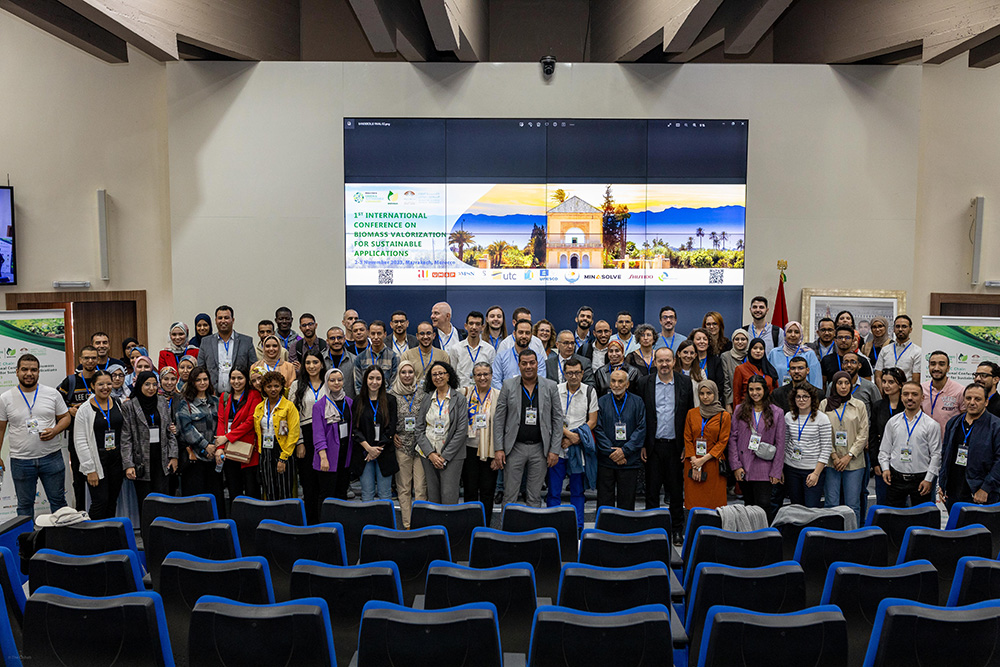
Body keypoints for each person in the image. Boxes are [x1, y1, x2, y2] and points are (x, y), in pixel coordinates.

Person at [0, 354, 71, 518]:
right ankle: (26, 543)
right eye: (24, 369)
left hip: (51, 458)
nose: (29, 373)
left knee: (59, 503)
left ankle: (61, 542)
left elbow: (66, 417)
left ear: (39, 372)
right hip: (21, 461)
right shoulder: (5, 399)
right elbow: (1, 429)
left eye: (33, 370)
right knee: (24, 507)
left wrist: (55, 430)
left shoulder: (52, 394)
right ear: (17, 372)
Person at [636, 347, 694, 542]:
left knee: (676, 492)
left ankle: (677, 529)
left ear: (674, 361)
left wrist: (688, 445)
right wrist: (643, 444)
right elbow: (641, 416)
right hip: (653, 446)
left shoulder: (685, 382)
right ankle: (653, 529)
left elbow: (690, 416)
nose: (664, 364)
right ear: (654, 362)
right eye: (660, 361)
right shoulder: (644, 383)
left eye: (668, 360)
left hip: (676, 447)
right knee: (652, 492)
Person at [493, 349, 562, 507]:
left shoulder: (550, 386)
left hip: (540, 449)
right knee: (509, 496)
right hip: (514, 448)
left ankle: (533, 531)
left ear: (538, 364)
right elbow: (499, 419)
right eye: (524, 363)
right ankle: (507, 532)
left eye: (532, 362)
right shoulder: (508, 385)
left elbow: (557, 419)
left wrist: (554, 450)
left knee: (534, 497)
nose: (528, 366)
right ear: (519, 365)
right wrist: (498, 448)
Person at [549, 357, 598, 531]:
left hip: (578, 447)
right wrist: (567, 435)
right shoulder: (555, 390)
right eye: (569, 373)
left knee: (577, 491)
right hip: (558, 445)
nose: (573, 376)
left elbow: (592, 420)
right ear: (564, 373)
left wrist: (574, 437)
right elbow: (551, 417)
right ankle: (553, 526)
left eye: (577, 372)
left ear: (582, 373)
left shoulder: (589, 391)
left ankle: (578, 527)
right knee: (554, 491)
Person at [728, 375, 784, 519]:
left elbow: (780, 443)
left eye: (758, 389)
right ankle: (750, 537)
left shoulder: (777, 412)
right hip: (744, 466)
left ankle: (765, 536)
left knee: (764, 504)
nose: (755, 393)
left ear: (765, 390)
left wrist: (776, 471)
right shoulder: (740, 410)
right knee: (749, 505)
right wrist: (736, 466)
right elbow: (733, 438)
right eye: (751, 390)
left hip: (765, 467)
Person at [877, 381, 941, 508]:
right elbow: (884, 450)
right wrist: (885, 468)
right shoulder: (892, 422)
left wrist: (928, 479)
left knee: (922, 520)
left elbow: (936, 455)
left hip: (921, 480)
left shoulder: (931, 425)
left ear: (922, 398)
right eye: (905, 394)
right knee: (894, 518)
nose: (910, 398)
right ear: (901, 397)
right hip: (895, 479)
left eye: (914, 394)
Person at [121, 370, 178, 507]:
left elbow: (169, 430)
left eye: (154, 384)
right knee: (146, 503)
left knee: (163, 500)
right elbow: (126, 438)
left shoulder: (162, 402)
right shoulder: (129, 406)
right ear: (139, 385)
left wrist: (174, 456)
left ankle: (163, 528)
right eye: (147, 384)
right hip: (141, 461)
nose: (151, 388)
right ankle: (147, 529)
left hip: (162, 459)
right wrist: (128, 464)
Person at [73, 370, 125, 519]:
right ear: (92, 386)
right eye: (100, 384)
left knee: (112, 501)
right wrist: (90, 469)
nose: (105, 387)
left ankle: (109, 536)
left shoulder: (117, 403)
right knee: (100, 501)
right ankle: (93, 537)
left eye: (108, 383)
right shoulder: (84, 410)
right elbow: (80, 441)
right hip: (97, 461)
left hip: (116, 459)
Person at [939, 383, 1000, 510]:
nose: (972, 402)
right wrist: (942, 483)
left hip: (980, 493)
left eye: (977, 399)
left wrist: (985, 489)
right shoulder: (953, 423)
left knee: (979, 529)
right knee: (956, 528)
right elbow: (945, 453)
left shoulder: (996, 426)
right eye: (968, 398)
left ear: (986, 402)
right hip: (953, 491)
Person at [820, 371, 869, 526]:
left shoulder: (859, 405)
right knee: (831, 503)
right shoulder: (824, 404)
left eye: (846, 383)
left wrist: (849, 455)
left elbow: (863, 434)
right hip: (830, 461)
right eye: (839, 383)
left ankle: (852, 534)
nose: (843, 387)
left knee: (852, 504)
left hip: (854, 462)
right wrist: (834, 456)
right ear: (833, 385)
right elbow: (821, 432)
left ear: (851, 385)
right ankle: (832, 534)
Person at [594, 369, 646, 510]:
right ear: (609, 384)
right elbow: (597, 429)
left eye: (620, 381)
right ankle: (604, 531)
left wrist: (624, 451)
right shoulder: (601, 402)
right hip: (607, 460)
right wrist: (612, 452)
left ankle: (625, 531)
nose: (616, 385)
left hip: (629, 460)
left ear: (627, 384)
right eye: (613, 381)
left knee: (627, 501)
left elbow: (641, 429)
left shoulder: (637, 402)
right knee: (604, 501)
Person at [415, 361, 466, 503]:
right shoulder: (427, 398)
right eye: (434, 375)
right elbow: (419, 428)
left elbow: (461, 431)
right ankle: (436, 525)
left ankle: (449, 525)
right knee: (433, 495)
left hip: (452, 456)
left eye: (441, 373)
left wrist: (444, 457)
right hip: (429, 455)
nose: (438, 377)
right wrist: (431, 454)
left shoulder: (459, 399)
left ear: (448, 376)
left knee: (449, 494)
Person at [58, 345, 100, 510]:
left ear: (98, 360)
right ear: (80, 360)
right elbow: (57, 401)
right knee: (79, 477)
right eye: (86, 358)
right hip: (77, 437)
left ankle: (97, 512)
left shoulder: (102, 379)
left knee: (99, 476)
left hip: (99, 437)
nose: (90, 361)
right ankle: (81, 511)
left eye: (93, 358)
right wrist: (69, 409)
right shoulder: (71, 381)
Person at [214, 366, 262, 508]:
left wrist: (227, 437)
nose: (236, 381)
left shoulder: (254, 395)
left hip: (248, 450)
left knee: (251, 490)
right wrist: (220, 447)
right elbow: (221, 422)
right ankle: (237, 522)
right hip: (229, 451)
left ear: (246, 379)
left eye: (240, 378)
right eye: (233, 378)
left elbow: (250, 421)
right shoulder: (224, 397)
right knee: (234, 491)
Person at [176, 366, 222, 507]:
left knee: (216, 498)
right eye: (198, 380)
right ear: (192, 382)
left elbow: (221, 424)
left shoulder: (216, 401)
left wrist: (214, 447)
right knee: (196, 501)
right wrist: (205, 446)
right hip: (195, 458)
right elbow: (186, 429)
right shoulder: (185, 403)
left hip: (214, 456)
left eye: (205, 379)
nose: (202, 383)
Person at [684, 380, 731, 511]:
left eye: (709, 393)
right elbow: (687, 438)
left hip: (713, 463)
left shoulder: (724, 416)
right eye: (702, 393)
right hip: (692, 462)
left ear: (715, 394)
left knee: (714, 503)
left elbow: (723, 441)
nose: (705, 397)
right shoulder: (691, 413)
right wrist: (695, 462)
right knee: (693, 502)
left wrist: (702, 460)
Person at [290, 352, 327, 522]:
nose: (312, 366)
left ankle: (326, 523)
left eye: (315, 362)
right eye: (308, 363)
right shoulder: (297, 385)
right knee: (309, 483)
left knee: (324, 483)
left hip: (327, 437)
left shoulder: (329, 383)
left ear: (321, 364)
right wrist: (299, 442)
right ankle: (311, 524)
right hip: (306, 435)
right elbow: (293, 416)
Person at [353, 366, 399, 502]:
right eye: (371, 378)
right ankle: (368, 523)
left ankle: (385, 524)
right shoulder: (358, 401)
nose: (374, 382)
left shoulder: (390, 400)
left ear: (383, 381)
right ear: (365, 380)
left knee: (385, 495)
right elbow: (355, 429)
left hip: (384, 451)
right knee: (367, 494)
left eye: (378, 378)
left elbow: (391, 428)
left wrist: (377, 450)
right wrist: (369, 449)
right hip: (364, 453)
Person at [390, 360, 426, 528]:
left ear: (415, 374)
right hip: (401, 445)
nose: (407, 375)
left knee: (420, 487)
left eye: (410, 372)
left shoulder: (423, 393)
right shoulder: (391, 394)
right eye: (403, 372)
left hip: (420, 446)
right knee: (404, 488)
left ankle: (420, 523)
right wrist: (392, 435)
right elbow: (387, 419)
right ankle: (407, 525)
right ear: (399, 374)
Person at [254, 371, 300, 500]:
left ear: (282, 387)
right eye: (269, 386)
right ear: (263, 388)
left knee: (285, 489)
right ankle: (271, 518)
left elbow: (294, 433)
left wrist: (283, 458)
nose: (273, 389)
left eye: (276, 386)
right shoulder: (259, 408)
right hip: (265, 449)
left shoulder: (289, 407)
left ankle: (285, 518)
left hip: (282, 449)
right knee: (269, 488)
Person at [784, 385, 831, 508]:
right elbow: (784, 442)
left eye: (805, 396)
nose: (801, 400)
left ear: (812, 398)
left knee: (811, 508)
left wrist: (816, 473)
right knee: (796, 508)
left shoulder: (822, 418)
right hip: (791, 469)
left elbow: (826, 448)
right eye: (798, 397)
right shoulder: (788, 416)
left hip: (812, 470)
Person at [312, 368, 354, 502]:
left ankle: (340, 522)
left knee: (342, 493)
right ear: (326, 382)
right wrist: (323, 457)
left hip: (344, 455)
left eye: (339, 380)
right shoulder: (319, 406)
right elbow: (318, 434)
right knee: (326, 495)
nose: (336, 383)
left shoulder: (349, 402)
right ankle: (326, 523)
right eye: (332, 380)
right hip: (328, 457)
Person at [869, 367, 907, 507]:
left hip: (903, 461)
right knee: (883, 502)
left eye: (891, 382)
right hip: (882, 460)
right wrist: (875, 462)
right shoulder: (878, 406)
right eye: (884, 381)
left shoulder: (907, 406)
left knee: (901, 504)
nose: (886, 385)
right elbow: (872, 435)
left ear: (900, 384)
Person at [199, 305, 256, 394]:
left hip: (240, 396)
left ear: (232, 320)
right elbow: (201, 368)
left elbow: (253, 368)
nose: (223, 321)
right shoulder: (206, 342)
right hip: (213, 396)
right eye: (220, 318)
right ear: (215, 320)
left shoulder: (246, 341)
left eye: (226, 318)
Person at [922, 350, 966, 435]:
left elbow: (965, 418)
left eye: (941, 364)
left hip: (948, 442)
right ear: (929, 366)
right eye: (933, 364)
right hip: (925, 441)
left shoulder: (960, 390)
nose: (936, 368)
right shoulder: (921, 389)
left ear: (948, 368)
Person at [768, 321, 822, 388]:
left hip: (803, 395)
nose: (793, 335)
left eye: (796, 332)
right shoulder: (774, 353)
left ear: (801, 335)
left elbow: (816, 380)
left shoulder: (809, 354)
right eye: (789, 331)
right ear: (785, 333)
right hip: (779, 395)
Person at [352, 320, 398, 394]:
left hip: (386, 399)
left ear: (385, 334)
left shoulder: (394, 357)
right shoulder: (360, 358)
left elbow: (394, 384)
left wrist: (384, 398)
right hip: (366, 401)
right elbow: (358, 385)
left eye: (379, 333)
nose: (376, 337)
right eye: (373, 334)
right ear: (368, 334)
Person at [874, 315, 922, 385]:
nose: (900, 329)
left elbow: (916, 379)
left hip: (905, 392)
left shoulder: (917, 351)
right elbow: (878, 375)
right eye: (897, 326)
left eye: (904, 326)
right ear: (893, 329)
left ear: (910, 330)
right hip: (886, 392)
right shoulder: (885, 350)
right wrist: (882, 394)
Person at [491, 319, 538, 390]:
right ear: (514, 334)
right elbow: (495, 381)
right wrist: (507, 395)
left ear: (531, 335)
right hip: (506, 398)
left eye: (527, 333)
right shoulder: (501, 357)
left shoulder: (538, 358)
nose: (524, 336)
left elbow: (540, 382)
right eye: (521, 332)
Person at [454, 311, 496, 389]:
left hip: (482, 394)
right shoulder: (456, 349)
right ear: (466, 326)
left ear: (482, 327)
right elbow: (452, 374)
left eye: (477, 324)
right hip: (462, 393)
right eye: (471, 323)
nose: (474, 327)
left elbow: (492, 376)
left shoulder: (490, 349)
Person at [732, 338, 778, 407]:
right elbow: (736, 395)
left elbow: (775, 391)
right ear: (750, 350)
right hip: (747, 409)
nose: (758, 351)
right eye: (755, 348)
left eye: (761, 349)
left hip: (767, 408)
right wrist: (737, 413)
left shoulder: (770, 369)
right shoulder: (740, 369)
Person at [690, 328, 727, 405]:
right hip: (692, 402)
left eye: (705, 339)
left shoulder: (716, 360)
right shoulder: (689, 359)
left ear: (709, 342)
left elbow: (720, 384)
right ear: (692, 341)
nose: (702, 341)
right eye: (698, 339)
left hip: (711, 402)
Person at [841, 352, 882, 419]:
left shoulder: (870, 386)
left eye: (853, 362)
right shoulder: (834, 385)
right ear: (842, 365)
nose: (848, 365)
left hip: (864, 428)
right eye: (846, 362)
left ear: (859, 365)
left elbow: (878, 409)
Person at [325, 327, 357, 399]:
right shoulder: (321, 360)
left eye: (339, 338)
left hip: (349, 405)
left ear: (344, 339)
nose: (336, 341)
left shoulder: (354, 360)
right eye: (332, 338)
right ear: (327, 341)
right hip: (326, 404)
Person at [720, 329, 748, 408]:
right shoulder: (725, 356)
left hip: (750, 398)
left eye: (743, 339)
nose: (740, 342)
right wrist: (728, 403)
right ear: (733, 341)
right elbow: (726, 381)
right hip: (733, 400)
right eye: (737, 339)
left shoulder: (751, 355)